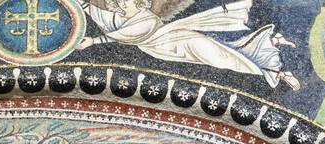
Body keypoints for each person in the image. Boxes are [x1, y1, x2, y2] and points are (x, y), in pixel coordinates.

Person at [81, 0, 301, 91]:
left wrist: (94, 41)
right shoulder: (110, 16)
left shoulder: (146, 18)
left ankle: (275, 71)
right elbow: (85, 8)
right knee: (223, 55)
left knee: (221, 56)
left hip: (181, 40)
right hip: (165, 49)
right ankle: (270, 59)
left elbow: (130, 35)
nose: (122, 2)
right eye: (119, 1)